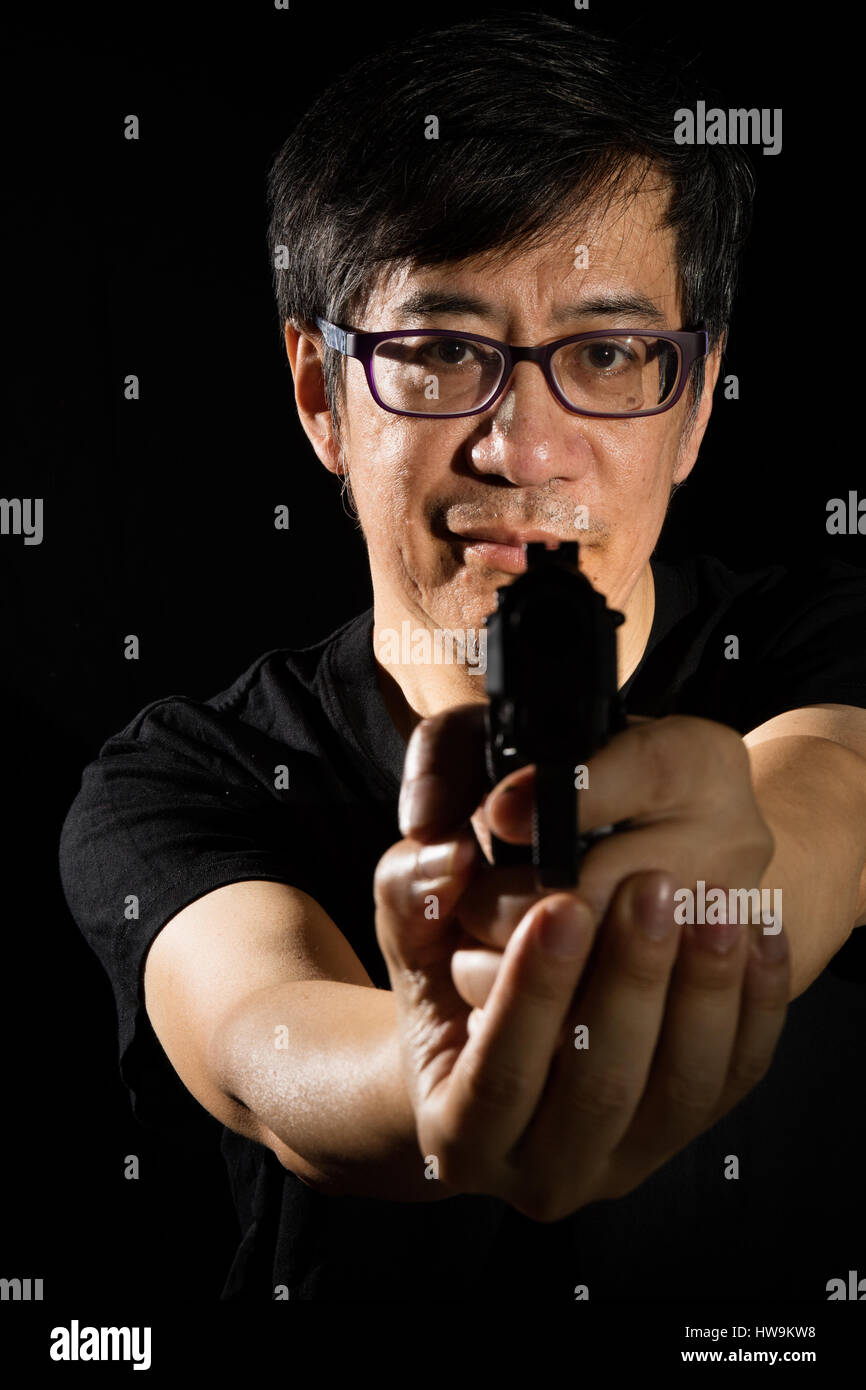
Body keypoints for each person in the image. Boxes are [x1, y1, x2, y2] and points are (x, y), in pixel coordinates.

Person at [59, 11, 866, 1301]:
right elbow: (269, 1046)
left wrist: (722, 900)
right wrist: (438, 1082)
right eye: (439, 354)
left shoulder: (827, 645)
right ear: (323, 398)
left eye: (607, 355)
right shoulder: (184, 778)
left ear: (700, 402)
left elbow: (820, 807)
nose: (523, 451)